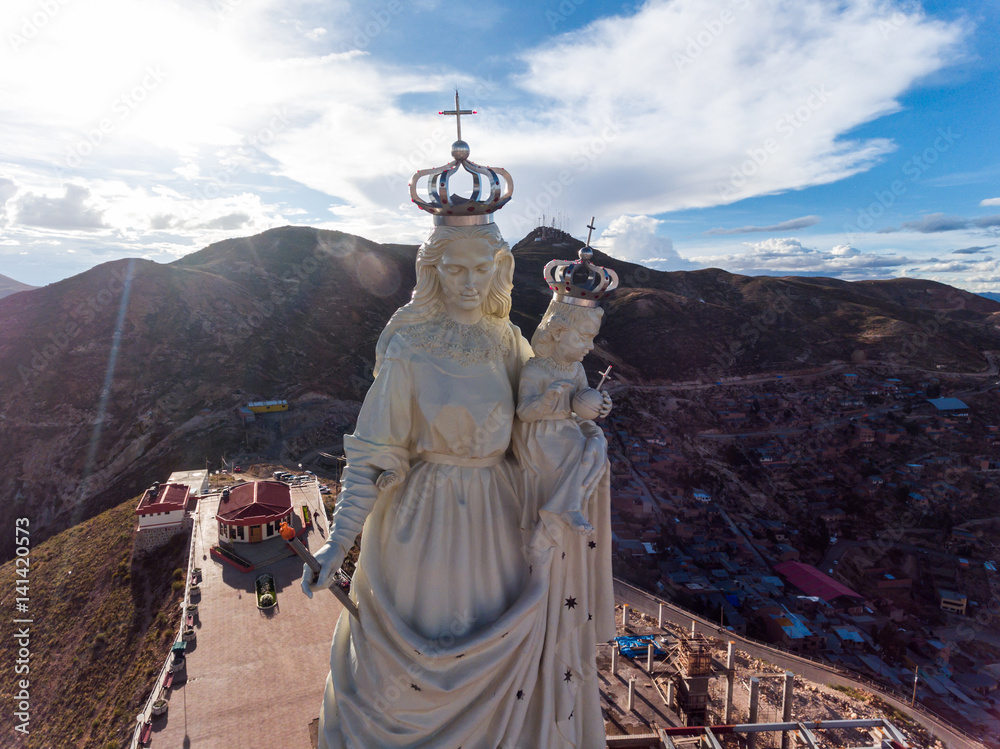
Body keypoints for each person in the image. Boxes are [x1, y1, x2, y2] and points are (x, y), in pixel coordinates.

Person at [514, 301, 612, 537]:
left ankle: (572, 503)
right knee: (577, 449)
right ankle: (566, 509)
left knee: (595, 448)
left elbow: (580, 405)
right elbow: (524, 413)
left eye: (592, 339)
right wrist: (546, 399)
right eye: (583, 338)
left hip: (567, 428)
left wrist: (598, 406)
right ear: (557, 333)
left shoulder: (576, 369)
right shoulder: (535, 370)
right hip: (539, 432)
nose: (590, 347)